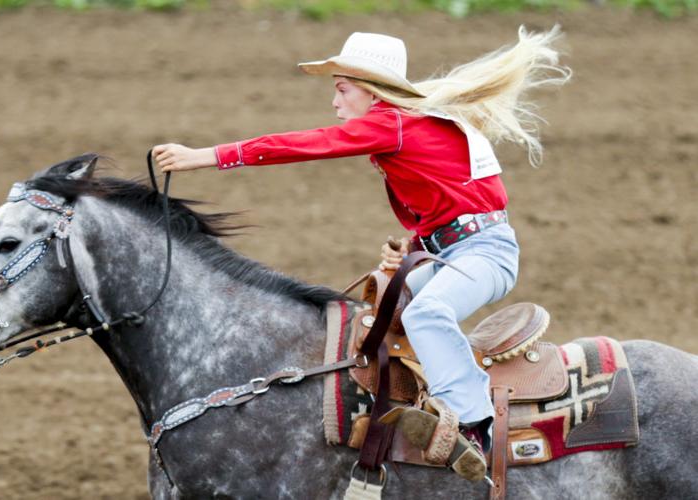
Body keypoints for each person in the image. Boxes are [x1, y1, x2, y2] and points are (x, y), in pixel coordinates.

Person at [152, 29, 569, 481]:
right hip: (458, 252)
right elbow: (454, 202)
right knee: (383, 311)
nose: (335, 102)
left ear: (372, 91)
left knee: (426, 313)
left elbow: (309, 143)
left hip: (484, 254)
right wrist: (414, 247)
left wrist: (208, 156)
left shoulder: (393, 123)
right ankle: (405, 408)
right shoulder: (410, 125)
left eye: (342, 89)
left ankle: (473, 425)